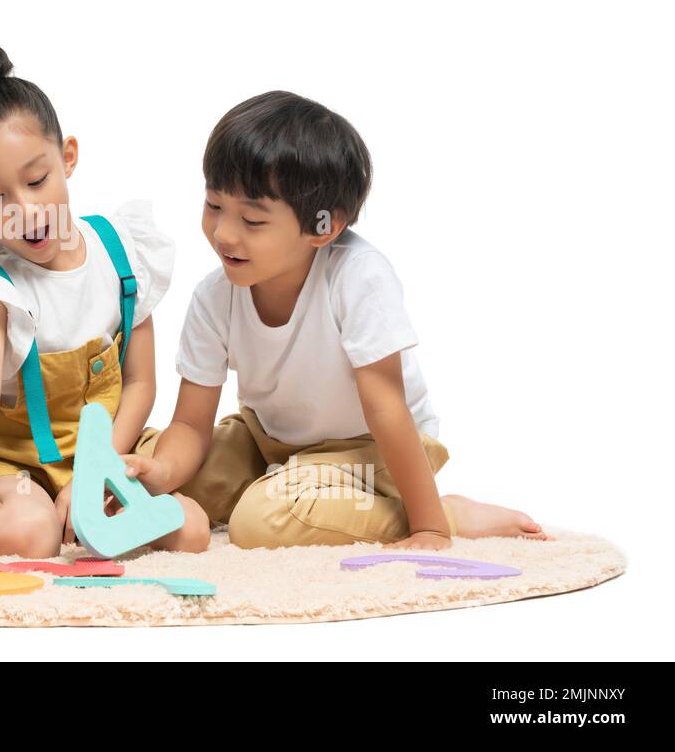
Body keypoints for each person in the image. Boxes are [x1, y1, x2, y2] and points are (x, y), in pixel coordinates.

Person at [124, 91, 552, 551]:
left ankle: (444, 511)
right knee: (152, 469)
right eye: (214, 206)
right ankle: (288, 488)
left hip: (372, 448)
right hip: (272, 443)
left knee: (261, 521)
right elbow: (190, 424)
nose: (224, 233)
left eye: (252, 219)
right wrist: (163, 473)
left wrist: (429, 527)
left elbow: (385, 407)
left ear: (322, 227)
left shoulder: (357, 278)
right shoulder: (214, 295)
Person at [0, 44, 211, 569]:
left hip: (104, 447)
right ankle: (1, 508)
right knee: (31, 533)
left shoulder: (123, 252)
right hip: (13, 461)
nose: (26, 211)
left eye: (36, 181)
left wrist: (97, 474)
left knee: (191, 530)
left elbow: (140, 383)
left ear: (67, 157)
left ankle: (79, 511)